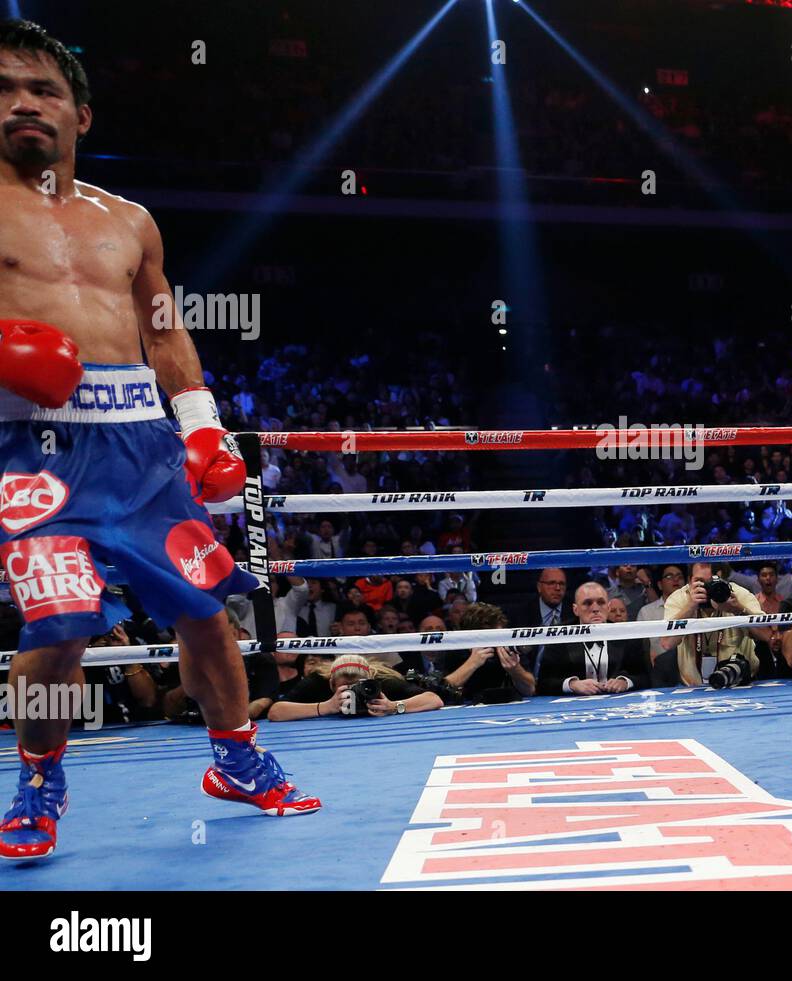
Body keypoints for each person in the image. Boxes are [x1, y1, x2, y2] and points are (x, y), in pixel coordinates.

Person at [0, 21, 318, 860]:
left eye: (42, 89)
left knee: (204, 608)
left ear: (81, 115)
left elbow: (166, 329)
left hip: (140, 441)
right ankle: (37, 778)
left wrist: (203, 428)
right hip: (31, 447)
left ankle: (236, 757)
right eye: (3, 89)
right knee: (58, 625)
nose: (23, 103)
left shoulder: (130, 220)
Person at [537, 583, 649, 695]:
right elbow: (543, 683)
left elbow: (646, 677)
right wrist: (572, 684)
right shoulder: (560, 636)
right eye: (587, 603)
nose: (595, 608)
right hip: (574, 706)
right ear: (576, 610)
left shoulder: (626, 635)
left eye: (601, 603)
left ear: (608, 607)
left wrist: (625, 682)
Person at [267, 655, 442, 721]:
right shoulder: (318, 680)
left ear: (370, 679)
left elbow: (434, 699)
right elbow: (276, 711)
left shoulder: (380, 683)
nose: (352, 692)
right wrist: (326, 707)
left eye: (358, 686)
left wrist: (394, 707)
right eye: (345, 688)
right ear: (331, 684)